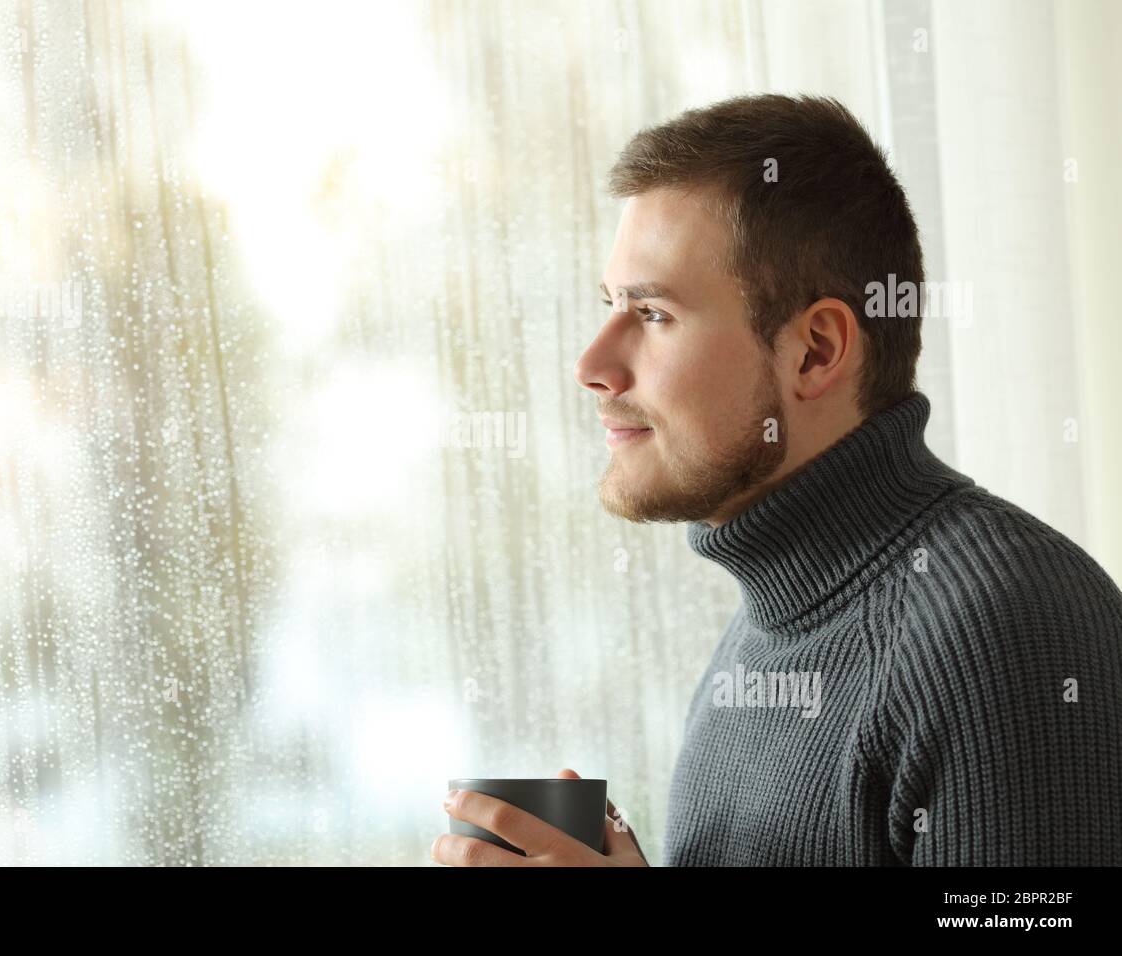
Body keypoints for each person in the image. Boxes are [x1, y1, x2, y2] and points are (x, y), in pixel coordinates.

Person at [433, 93, 1122, 866]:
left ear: (815, 352)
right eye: (609, 306)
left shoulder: (1009, 627)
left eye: (652, 313)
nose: (591, 365)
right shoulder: (761, 633)